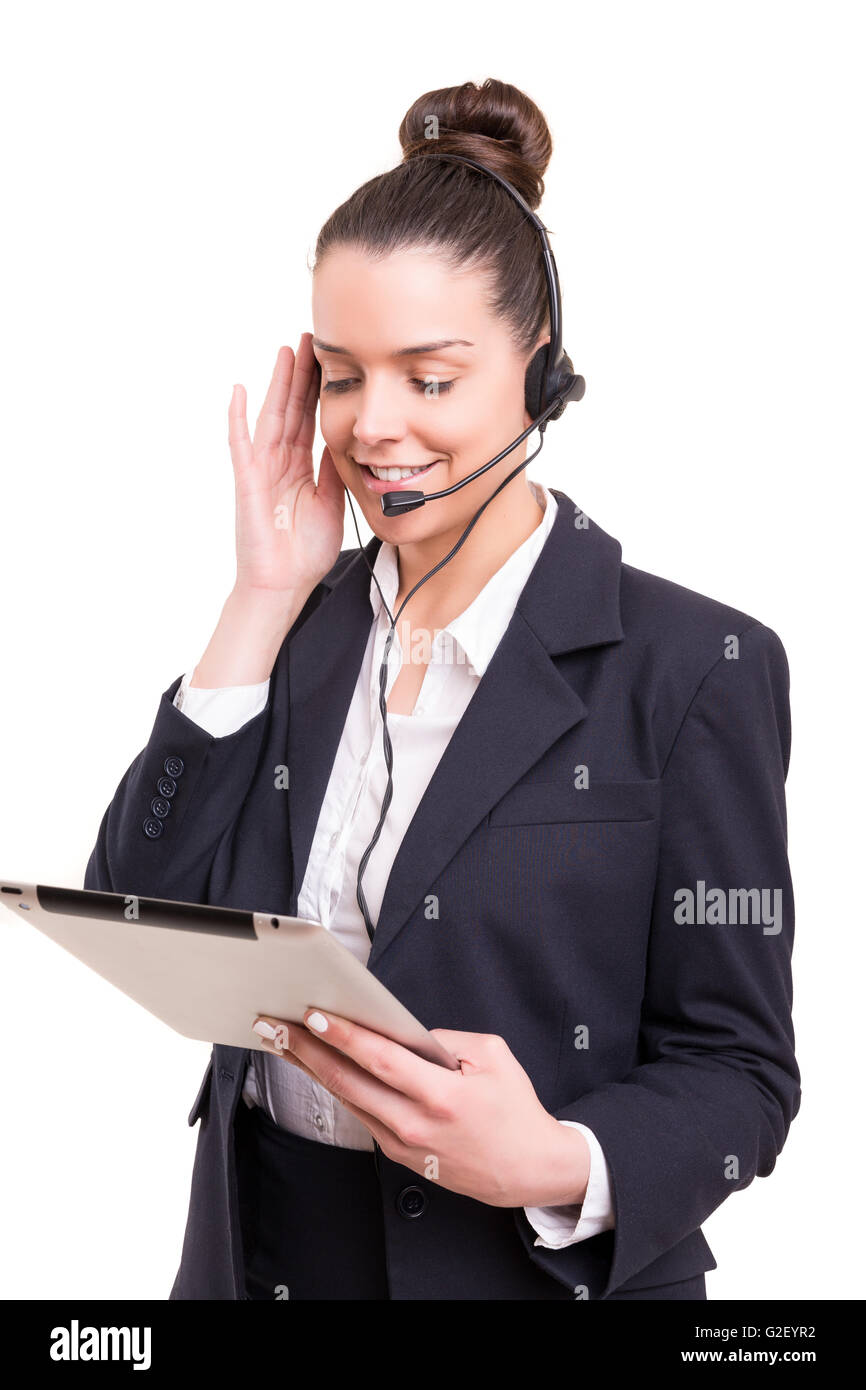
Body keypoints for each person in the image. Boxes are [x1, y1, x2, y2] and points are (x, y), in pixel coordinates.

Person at [84, 78, 800, 1301]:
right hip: (258, 1258)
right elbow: (140, 905)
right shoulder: (295, 631)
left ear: (538, 375)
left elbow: (739, 1071)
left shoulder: (690, 669)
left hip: (517, 1274)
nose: (374, 427)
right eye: (342, 375)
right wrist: (258, 596)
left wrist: (558, 1157)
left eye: (430, 377)